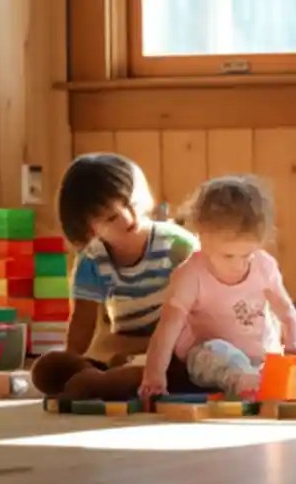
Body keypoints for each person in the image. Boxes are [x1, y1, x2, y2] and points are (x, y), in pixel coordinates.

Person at [139, 175, 296, 400]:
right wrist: (154, 375)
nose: (238, 264)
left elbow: (287, 312)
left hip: (261, 360)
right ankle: (248, 385)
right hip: (208, 356)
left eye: (246, 255)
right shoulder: (190, 275)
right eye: (228, 255)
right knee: (219, 353)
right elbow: (168, 328)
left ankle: (258, 385)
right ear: (202, 238)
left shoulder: (264, 266)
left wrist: (292, 349)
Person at [30, 152, 201, 397]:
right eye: (111, 217)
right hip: (123, 345)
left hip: (172, 346)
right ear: (90, 229)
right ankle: (102, 378)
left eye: (131, 203)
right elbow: (82, 321)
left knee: (146, 369)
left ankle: (108, 382)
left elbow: (206, 302)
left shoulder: (176, 244)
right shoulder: (92, 260)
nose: (128, 218)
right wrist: (71, 362)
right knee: (46, 368)